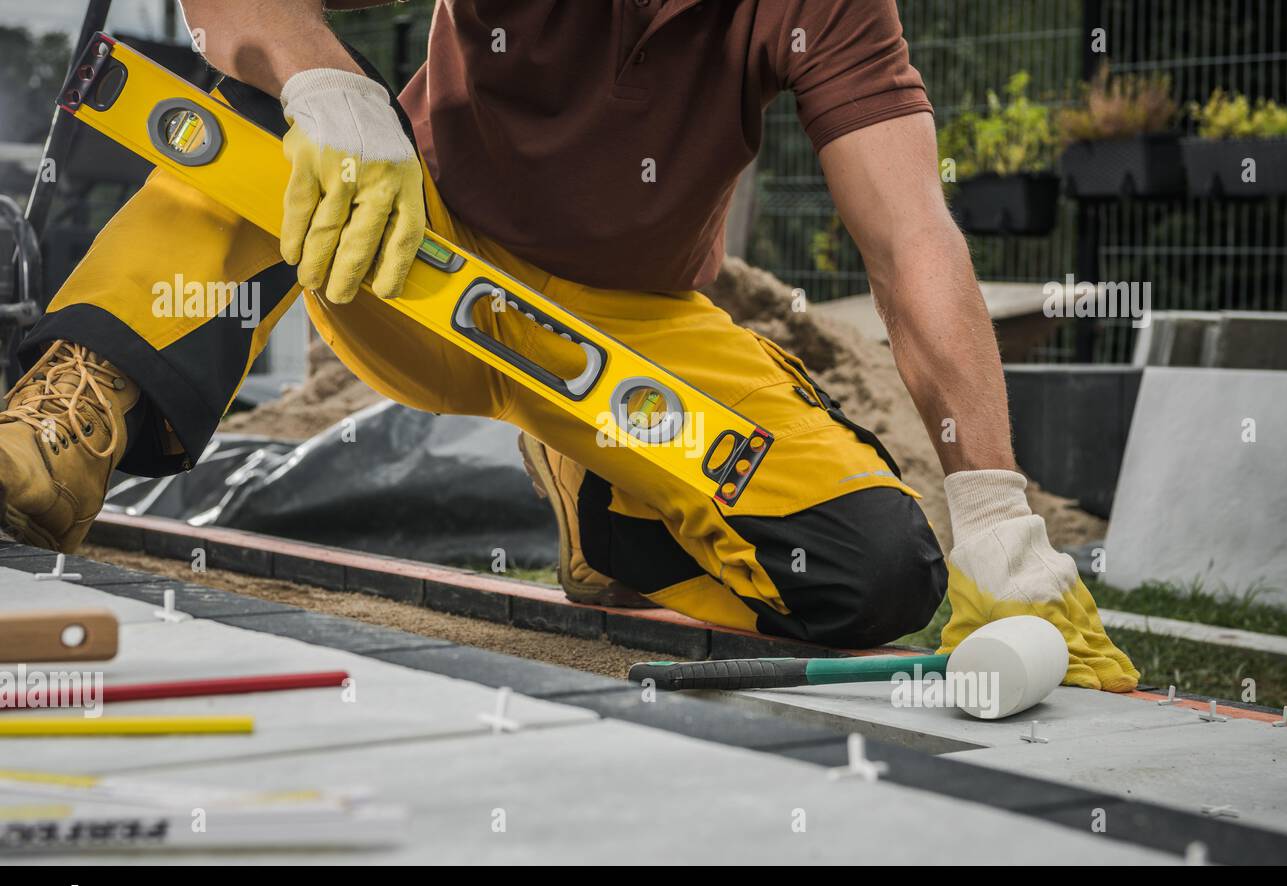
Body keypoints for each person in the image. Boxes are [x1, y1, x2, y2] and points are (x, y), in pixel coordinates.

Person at [0, 0, 1137, 691]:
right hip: (405, 251)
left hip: (624, 350)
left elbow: (911, 242)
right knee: (266, 109)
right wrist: (324, 80)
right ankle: (79, 399)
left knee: (874, 568)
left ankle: (614, 510)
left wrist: (993, 509)